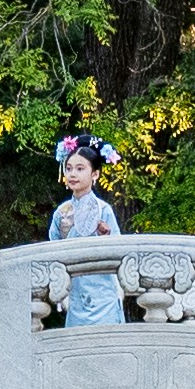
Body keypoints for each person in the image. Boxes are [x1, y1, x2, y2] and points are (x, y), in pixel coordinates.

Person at [50, 132, 126, 324]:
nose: (73, 174)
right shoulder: (62, 213)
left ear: (95, 174)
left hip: (104, 294)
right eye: (68, 168)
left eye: (80, 168)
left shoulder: (104, 211)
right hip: (76, 294)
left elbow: (119, 252)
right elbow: (52, 251)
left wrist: (105, 236)